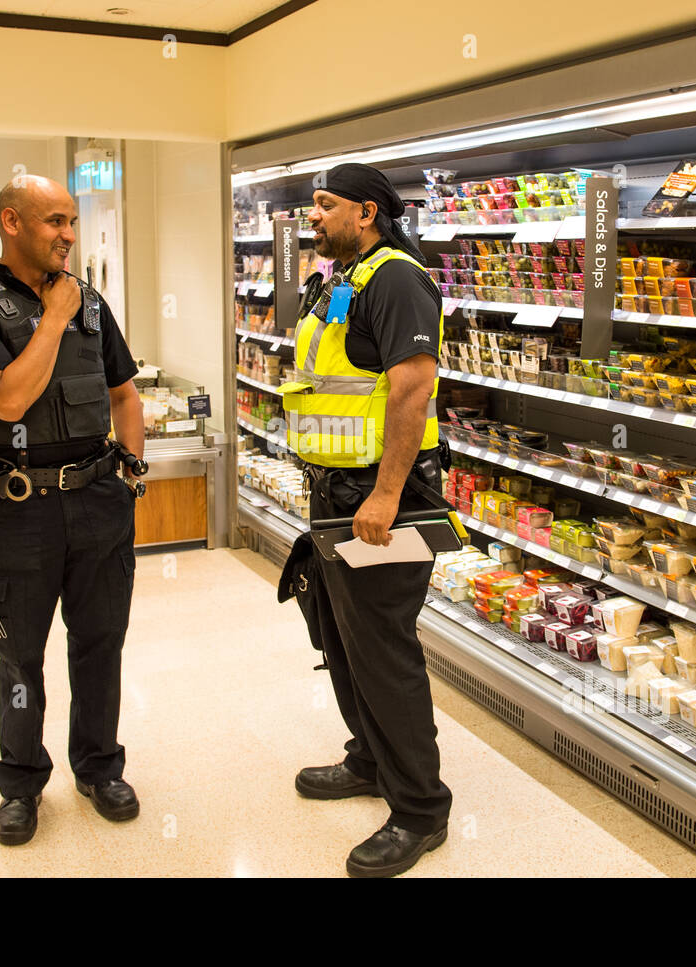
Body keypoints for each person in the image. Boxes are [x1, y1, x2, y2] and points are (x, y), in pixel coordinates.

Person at [0, 175, 144, 846]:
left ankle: (99, 765)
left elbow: (125, 394)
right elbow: (6, 400)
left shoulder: (92, 302)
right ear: (12, 222)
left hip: (98, 501)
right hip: (18, 511)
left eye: (72, 221)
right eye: (55, 220)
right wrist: (53, 317)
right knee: (21, 658)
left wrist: (133, 473)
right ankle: (22, 782)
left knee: (100, 643)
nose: (69, 234)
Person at [281, 162, 452, 877]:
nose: (312, 216)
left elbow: (413, 390)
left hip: (385, 497)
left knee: (383, 644)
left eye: (325, 205)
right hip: (337, 493)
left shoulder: (398, 280)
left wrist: (383, 495)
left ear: (369, 212)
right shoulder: (339, 280)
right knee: (342, 637)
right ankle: (369, 757)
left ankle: (419, 808)